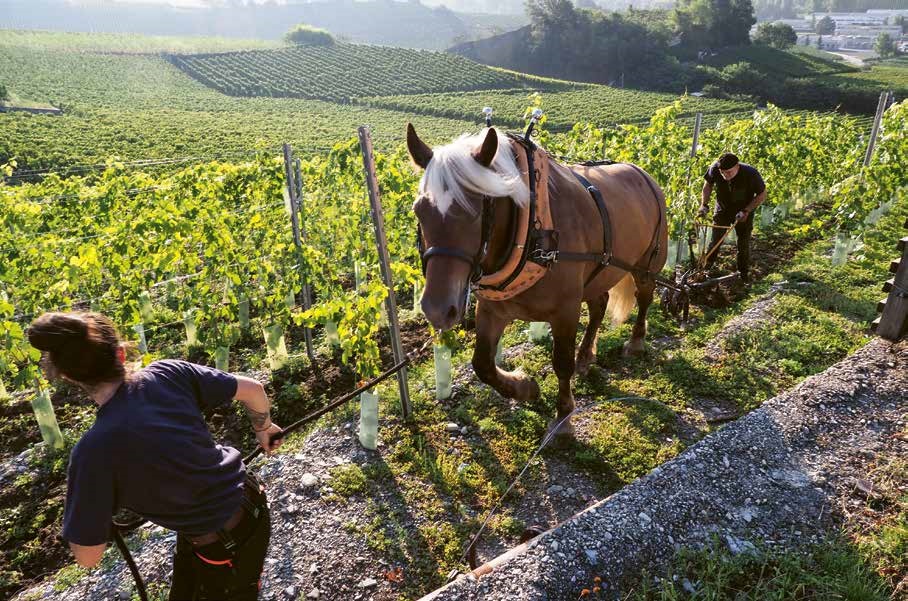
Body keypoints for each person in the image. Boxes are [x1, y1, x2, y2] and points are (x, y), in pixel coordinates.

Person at [27, 311, 283, 600]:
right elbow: (253, 389)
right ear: (121, 354)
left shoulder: (93, 452)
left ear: (69, 377)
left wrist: (87, 500)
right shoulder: (167, 373)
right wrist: (264, 428)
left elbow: (88, 557)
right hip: (251, 500)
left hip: (222, 541)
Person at [698, 152, 767, 283]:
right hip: (722, 209)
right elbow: (708, 185)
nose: (725, 176)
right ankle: (705, 268)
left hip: (743, 211)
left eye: (729, 172)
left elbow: (762, 194)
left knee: (743, 242)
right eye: (723, 173)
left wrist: (746, 211)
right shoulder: (714, 169)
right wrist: (704, 205)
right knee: (715, 240)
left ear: (737, 166)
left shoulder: (750, 173)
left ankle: (743, 273)